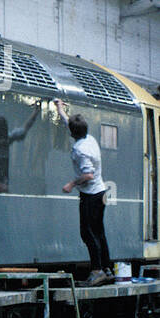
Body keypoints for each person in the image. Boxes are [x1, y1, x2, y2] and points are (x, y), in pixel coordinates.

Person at [55, 99, 113, 286]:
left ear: (73, 133)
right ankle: (107, 269)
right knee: (99, 232)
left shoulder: (80, 149)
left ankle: (97, 271)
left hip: (91, 195)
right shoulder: (89, 139)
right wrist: (60, 109)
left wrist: (71, 184)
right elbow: (69, 124)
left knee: (87, 232)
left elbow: (88, 175)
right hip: (101, 191)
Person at [0, 105, 40, 193]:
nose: (3, 142)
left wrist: (35, 113)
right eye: (0, 139)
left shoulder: (7, 139)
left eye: (4, 138)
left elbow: (24, 129)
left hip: (4, 190)